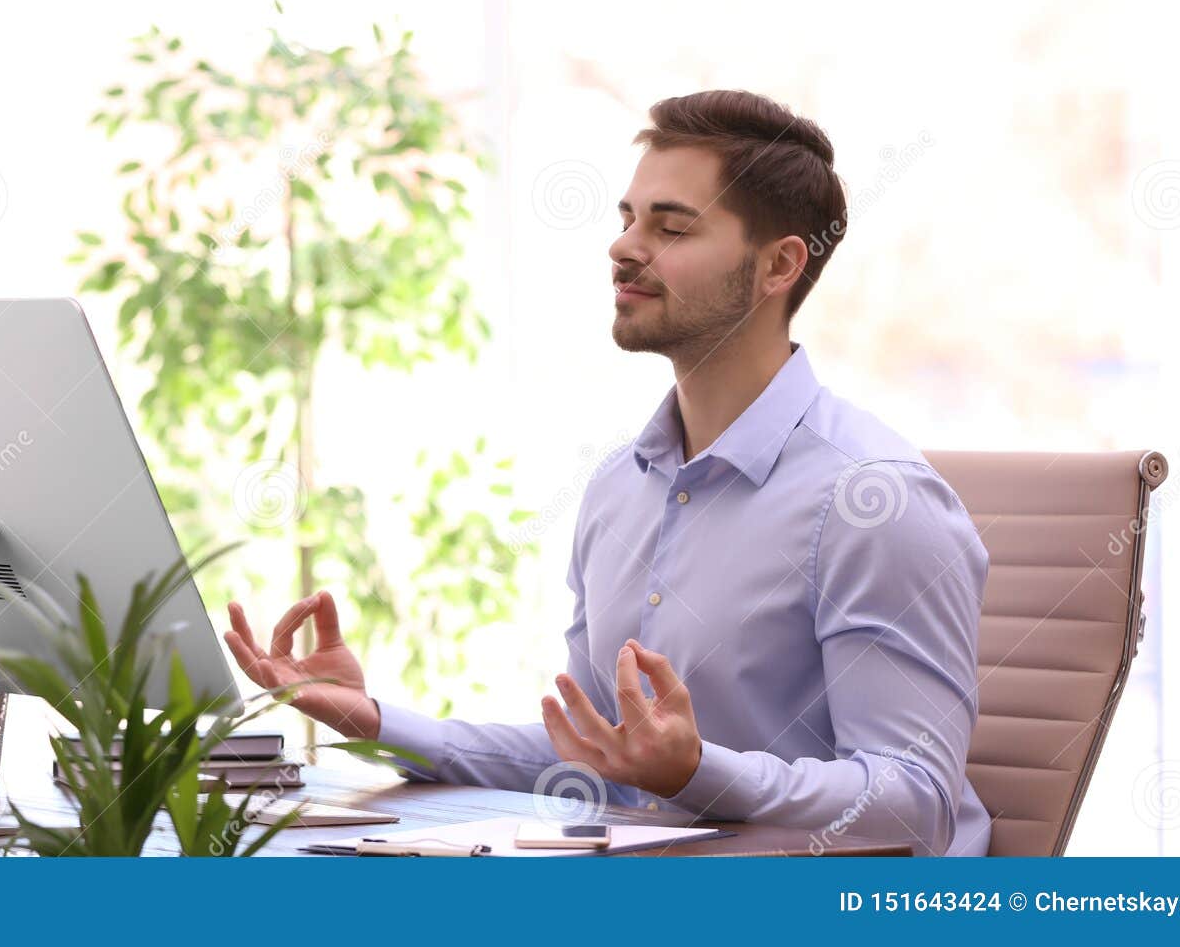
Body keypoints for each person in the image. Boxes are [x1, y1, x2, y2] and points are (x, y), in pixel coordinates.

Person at [224, 89, 991, 856]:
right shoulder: (621, 485)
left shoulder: (876, 499)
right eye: (628, 219)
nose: (624, 247)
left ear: (780, 264)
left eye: (671, 226)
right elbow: (590, 751)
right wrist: (376, 718)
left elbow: (915, 805)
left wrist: (697, 769)